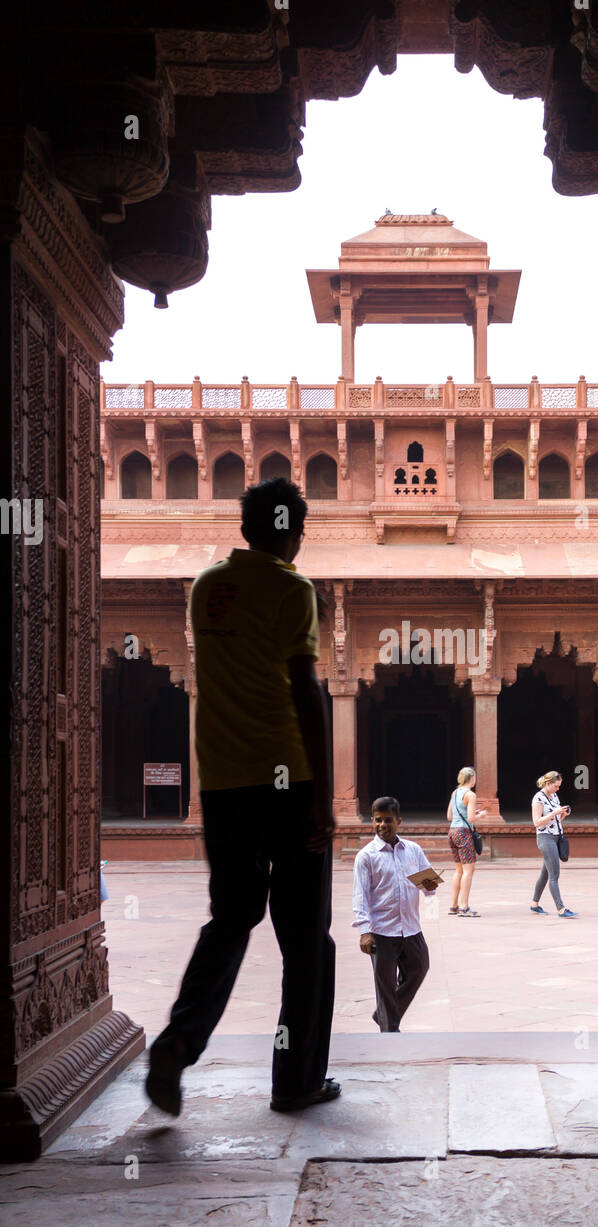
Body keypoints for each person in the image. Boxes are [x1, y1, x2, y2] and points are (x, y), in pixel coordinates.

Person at [145, 477, 339, 1117]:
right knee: (306, 937)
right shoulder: (291, 589)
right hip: (288, 780)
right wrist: (324, 797)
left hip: (225, 785)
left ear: (247, 527)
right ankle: (296, 1080)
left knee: (231, 918)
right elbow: (305, 689)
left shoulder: (206, 588)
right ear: (292, 533)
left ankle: (178, 1043)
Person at [353, 796, 441, 1033]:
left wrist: (430, 886)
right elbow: (360, 895)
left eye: (388, 820)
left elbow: (428, 886)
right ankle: (389, 1032)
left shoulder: (412, 850)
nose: (382, 825)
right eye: (378, 820)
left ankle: (383, 1015)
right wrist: (364, 931)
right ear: (372, 821)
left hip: (410, 927)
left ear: (398, 821)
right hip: (381, 931)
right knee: (385, 985)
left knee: (419, 968)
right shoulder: (366, 856)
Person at [530, 770, 577, 918]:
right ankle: (561, 909)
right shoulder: (538, 798)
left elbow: (555, 821)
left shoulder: (554, 796)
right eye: (556, 786)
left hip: (556, 836)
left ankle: (534, 904)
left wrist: (562, 814)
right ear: (548, 783)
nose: (558, 789)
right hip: (545, 838)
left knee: (545, 874)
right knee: (554, 875)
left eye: (559, 786)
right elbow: (537, 822)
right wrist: (554, 813)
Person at [446, 766, 486, 916]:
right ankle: (464, 907)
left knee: (459, 870)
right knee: (468, 871)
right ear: (472, 778)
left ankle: (454, 906)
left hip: (452, 832)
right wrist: (481, 815)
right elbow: (471, 818)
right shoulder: (470, 794)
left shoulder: (455, 792)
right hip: (463, 833)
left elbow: (450, 816)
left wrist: (471, 813)